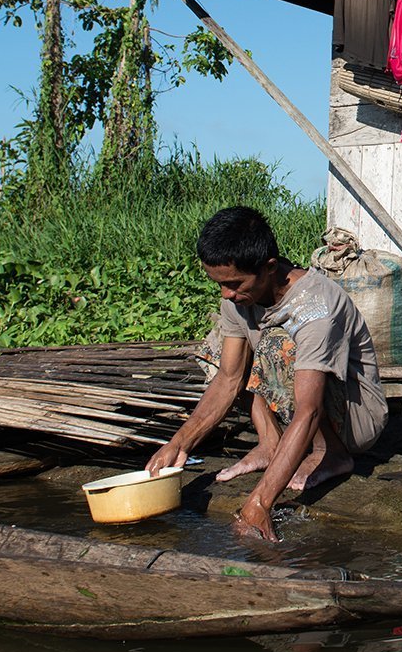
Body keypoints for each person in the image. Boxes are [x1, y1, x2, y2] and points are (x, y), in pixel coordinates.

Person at [145, 206, 388, 541]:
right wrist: (179, 443)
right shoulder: (237, 299)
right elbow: (229, 379)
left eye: (233, 284)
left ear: (269, 268)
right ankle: (270, 442)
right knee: (220, 348)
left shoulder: (314, 308)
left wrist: (259, 503)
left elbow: (310, 409)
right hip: (305, 408)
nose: (226, 295)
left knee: (278, 344)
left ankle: (330, 454)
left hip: (353, 418)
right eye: (219, 284)